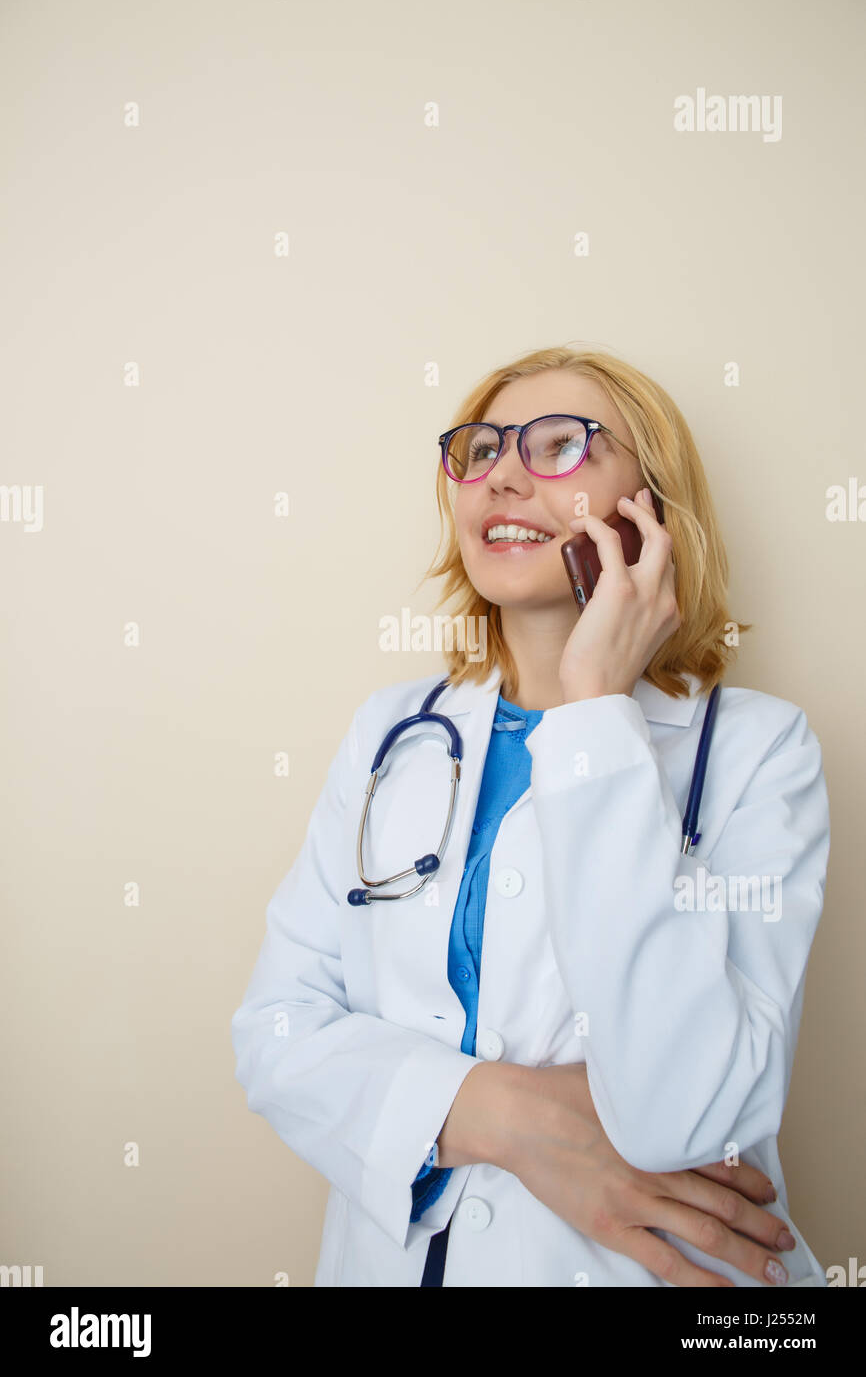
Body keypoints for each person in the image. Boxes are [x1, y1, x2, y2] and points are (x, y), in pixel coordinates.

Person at [231, 344, 831, 1287]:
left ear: (652, 507)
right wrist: (515, 1121)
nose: (502, 474)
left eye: (561, 445)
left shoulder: (761, 753)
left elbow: (692, 1112)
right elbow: (275, 1031)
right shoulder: (391, 734)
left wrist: (596, 707)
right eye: (479, 452)